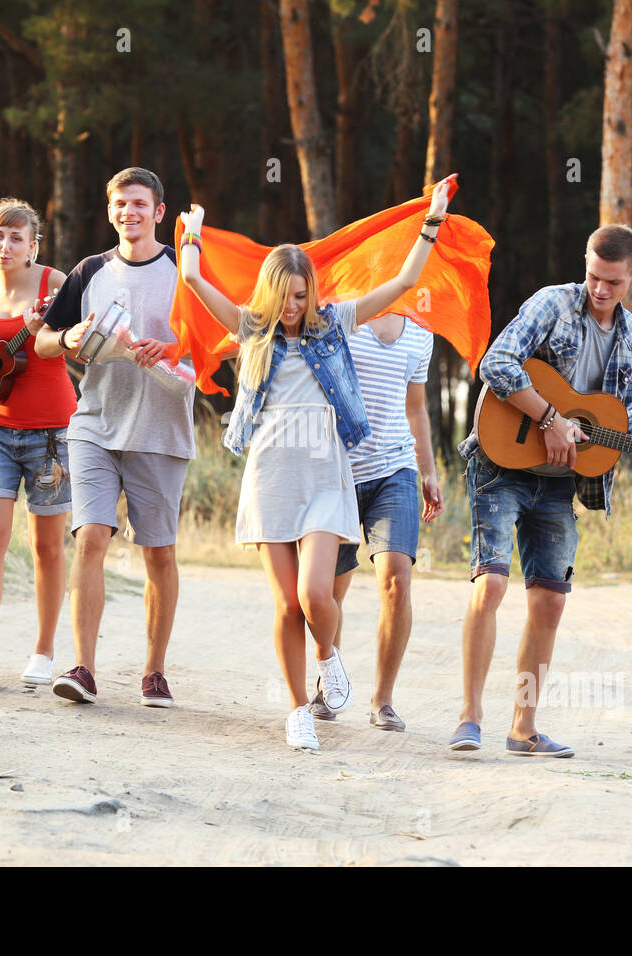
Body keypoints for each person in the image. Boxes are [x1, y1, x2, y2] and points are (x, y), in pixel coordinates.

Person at [177, 177, 453, 751]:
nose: (295, 306)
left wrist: (432, 222)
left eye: (302, 295)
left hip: (327, 475)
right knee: (283, 605)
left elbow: (403, 281)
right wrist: (194, 233)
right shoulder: (250, 328)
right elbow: (192, 278)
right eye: (286, 296)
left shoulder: (335, 324)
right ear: (270, 293)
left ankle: (329, 658)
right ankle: (300, 708)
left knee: (314, 596)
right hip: (272, 474)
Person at [450, 224, 632, 755]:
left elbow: (625, 419)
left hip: (561, 481)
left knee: (549, 600)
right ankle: (469, 718)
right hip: (503, 462)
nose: (599, 289)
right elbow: (494, 363)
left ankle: (523, 728)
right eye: (593, 276)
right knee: (493, 584)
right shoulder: (551, 304)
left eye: (613, 282)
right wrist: (549, 418)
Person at [33, 167, 192, 708]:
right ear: (110, 211)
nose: (130, 212)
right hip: (95, 423)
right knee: (92, 537)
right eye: (121, 204)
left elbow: (220, 343)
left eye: (140, 204)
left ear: (159, 212)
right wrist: (68, 334)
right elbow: (45, 341)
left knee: (158, 555)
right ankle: (82, 668)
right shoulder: (90, 271)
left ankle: (154, 671)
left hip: (161, 427)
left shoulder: (184, 271)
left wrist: (171, 351)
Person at [0, 198, 78, 686]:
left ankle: (44, 653)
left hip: (52, 432)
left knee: (46, 545)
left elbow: (78, 348)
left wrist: (47, 331)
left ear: (33, 245)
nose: (5, 245)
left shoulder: (56, 286)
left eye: (16, 237)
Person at [308, 312, 443, 732]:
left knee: (397, 580)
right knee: (330, 590)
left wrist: (428, 470)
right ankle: (329, 683)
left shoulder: (422, 333)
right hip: (337, 471)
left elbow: (416, 407)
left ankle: (382, 700)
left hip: (395, 468)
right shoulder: (344, 317)